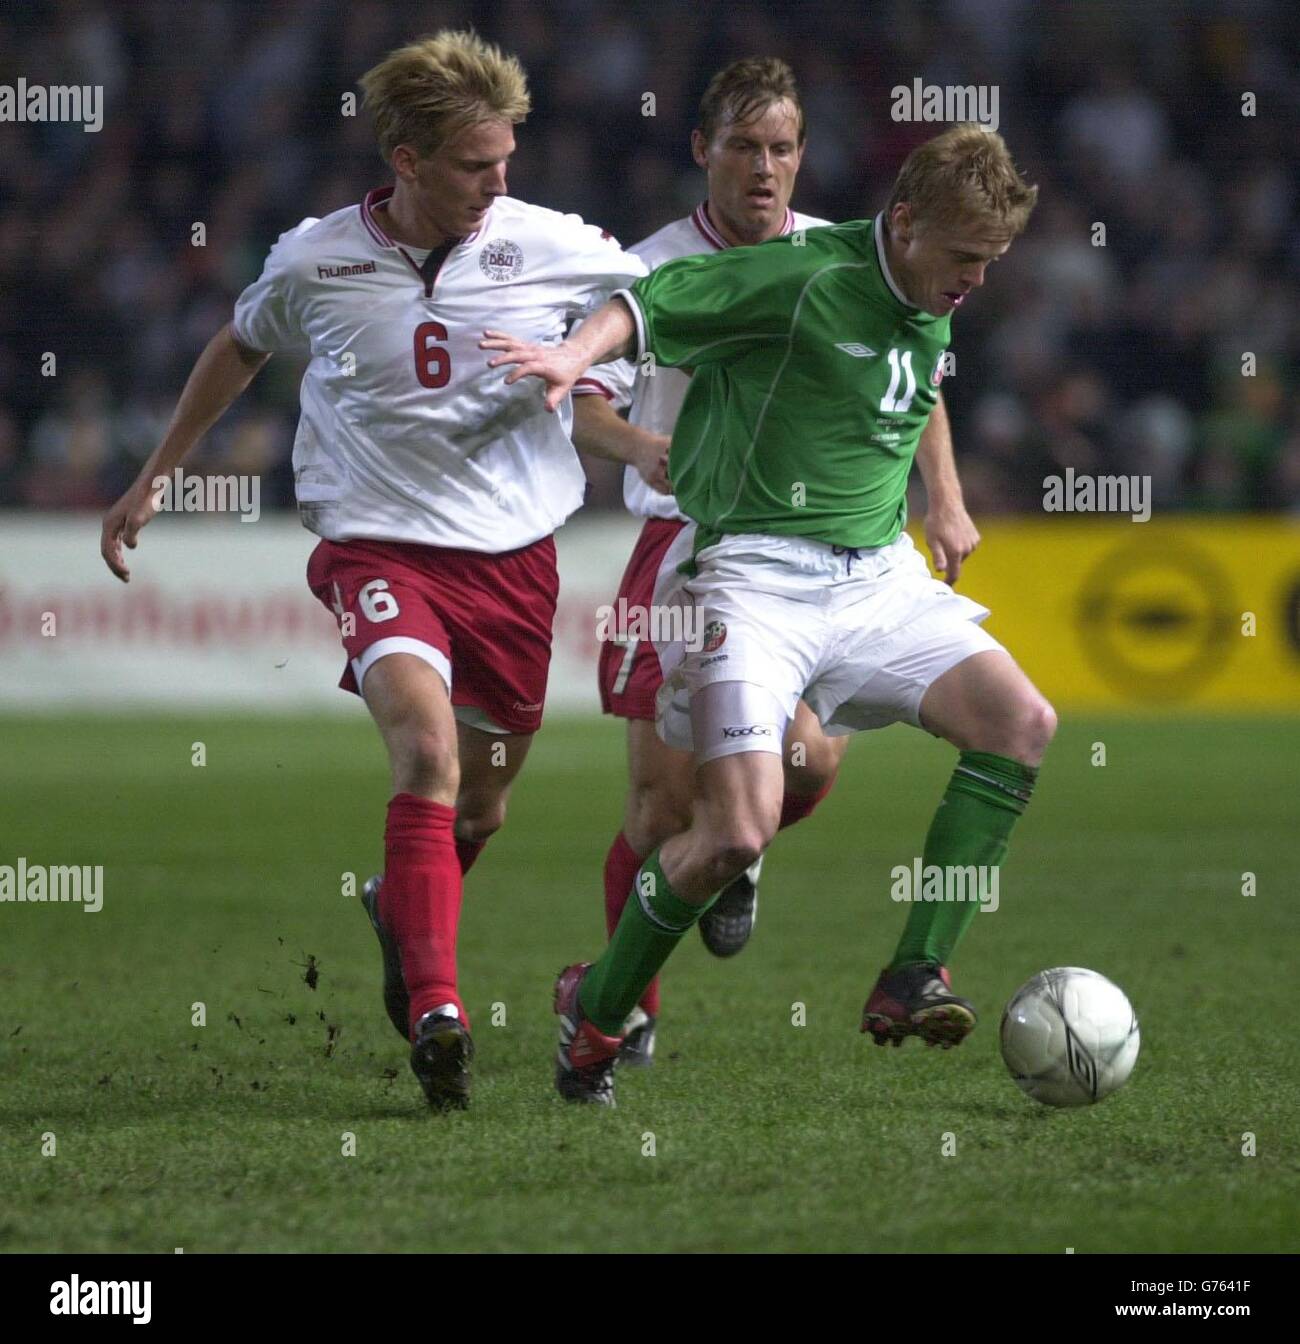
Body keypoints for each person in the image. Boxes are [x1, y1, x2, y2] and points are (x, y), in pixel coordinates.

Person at [99, 30, 648, 1110]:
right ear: (404, 156)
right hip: (377, 545)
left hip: (516, 561)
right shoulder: (315, 258)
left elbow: (659, 318)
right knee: (427, 757)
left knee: (479, 816)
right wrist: (160, 471)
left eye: (505, 160)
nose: (500, 183)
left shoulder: (558, 247)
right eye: (474, 165)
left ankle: (398, 905)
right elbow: (240, 345)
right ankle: (439, 1011)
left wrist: (643, 431)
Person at [483, 124, 1054, 1106]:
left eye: (990, 263)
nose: (975, 283)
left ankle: (912, 974)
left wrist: (944, 499)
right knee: (732, 834)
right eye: (965, 260)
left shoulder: (932, 289)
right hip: (753, 579)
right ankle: (597, 1009)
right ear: (905, 223)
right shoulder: (795, 277)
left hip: (876, 580)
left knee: (1022, 723)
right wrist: (574, 357)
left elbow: (914, 391)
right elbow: (650, 301)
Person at [568, 56, 846, 1068]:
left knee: (809, 760)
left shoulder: (841, 261)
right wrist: (643, 448)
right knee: (656, 811)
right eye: (743, 147)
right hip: (679, 545)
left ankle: (744, 852)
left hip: (810, 546)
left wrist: (942, 499)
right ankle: (621, 1009)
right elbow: (581, 403)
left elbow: (921, 378)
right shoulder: (645, 271)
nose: (764, 169)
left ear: (800, 155)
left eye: (781, 148)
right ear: (703, 152)